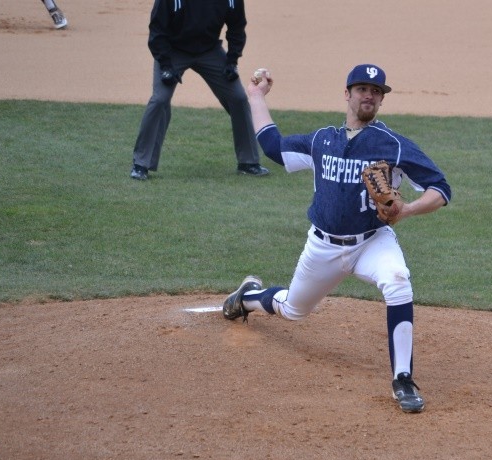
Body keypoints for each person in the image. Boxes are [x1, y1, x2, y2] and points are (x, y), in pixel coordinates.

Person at [222, 64, 452, 413]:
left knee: (398, 281)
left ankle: (403, 379)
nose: (369, 96)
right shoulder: (321, 140)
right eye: (362, 89)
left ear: (381, 100)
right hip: (323, 247)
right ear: (347, 94)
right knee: (293, 310)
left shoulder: (393, 146)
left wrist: (407, 210)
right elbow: (273, 147)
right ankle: (249, 297)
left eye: (376, 91)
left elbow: (441, 189)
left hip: (372, 241)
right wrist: (255, 96)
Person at [130, 0, 267, 180]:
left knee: (238, 98)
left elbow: (236, 26)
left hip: (209, 51)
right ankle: (141, 164)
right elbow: (157, 30)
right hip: (172, 51)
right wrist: (165, 65)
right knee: (160, 99)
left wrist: (232, 61)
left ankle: (248, 162)